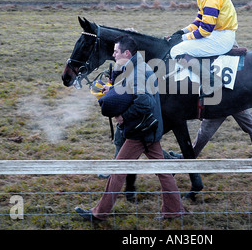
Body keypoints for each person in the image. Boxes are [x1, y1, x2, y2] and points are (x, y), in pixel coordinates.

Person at [75, 35, 185, 222]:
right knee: (163, 172)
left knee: (118, 171)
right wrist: (113, 91)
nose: (113, 54)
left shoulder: (137, 72)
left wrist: (123, 117)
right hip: (147, 129)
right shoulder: (136, 67)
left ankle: (99, 214)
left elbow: (143, 103)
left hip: (140, 131)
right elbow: (132, 93)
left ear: (127, 53)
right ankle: (174, 211)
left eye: (116, 51)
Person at [169, 0, 239, 95]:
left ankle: (210, 81)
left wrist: (183, 39)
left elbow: (205, 29)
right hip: (219, 33)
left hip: (220, 37)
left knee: (176, 51)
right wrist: (182, 32)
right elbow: (200, 21)